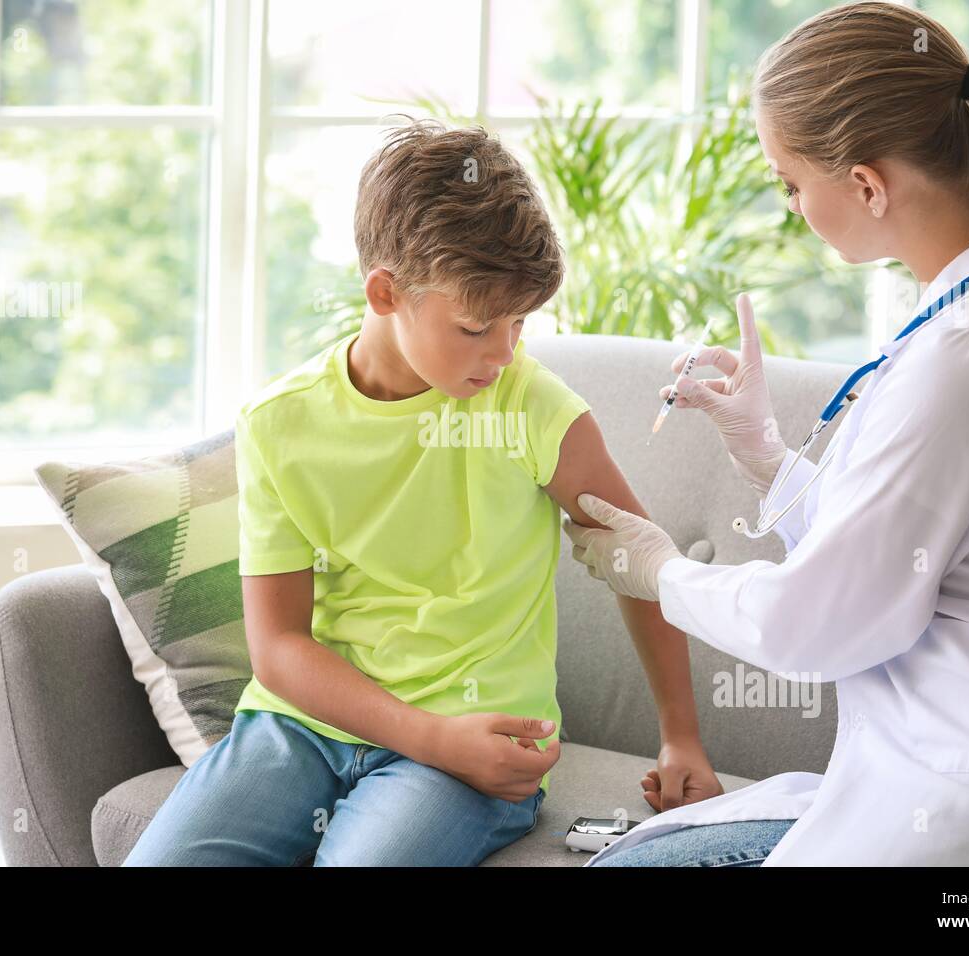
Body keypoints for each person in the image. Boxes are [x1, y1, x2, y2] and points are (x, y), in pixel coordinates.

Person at [568, 1, 969, 866]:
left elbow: (820, 623)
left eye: (792, 183)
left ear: (866, 184)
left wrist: (661, 572)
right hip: (946, 758)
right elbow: (914, 545)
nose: (791, 207)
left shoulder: (966, 357)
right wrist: (769, 462)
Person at [125, 119, 722, 867]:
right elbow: (278, 647)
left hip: (479, 739)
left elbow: (642, 564)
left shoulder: (532, 407)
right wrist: (422, 733)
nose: (504, 353)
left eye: (519, 323)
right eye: (476, 326)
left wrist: (681, 736)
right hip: (302, 728)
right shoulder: (280, 424)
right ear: (385, 292)